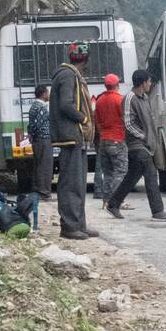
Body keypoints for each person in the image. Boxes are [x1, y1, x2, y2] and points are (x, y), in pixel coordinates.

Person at [106, 69, 166, 222]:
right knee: (150, 174)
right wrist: (144, 137)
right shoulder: (130, 98)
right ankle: (158, 211)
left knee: (132, 177)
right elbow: (128, 124)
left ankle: (113, 204)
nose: (150, 84)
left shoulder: (144, 97)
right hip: (137, 145)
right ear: (143, 83)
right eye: (149, 81)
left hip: (146, 145)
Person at [49, 41, 96, 240]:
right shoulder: (68, 75)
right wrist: (83, 118)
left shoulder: (68, 74)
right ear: (86, 59)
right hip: (71, 136)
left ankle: (79, 224)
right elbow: (65, 105)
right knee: (70, 183)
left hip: (75, 137)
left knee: (78, 183)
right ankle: (69, 226)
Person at [93, 72, 128, 206]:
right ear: (117, 85)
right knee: (120, 172)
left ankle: (106, 200)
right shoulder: (120, 100)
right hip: (118, 139)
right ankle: (117, 202)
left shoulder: (99, 101)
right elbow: (125, 119)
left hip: (103, 140)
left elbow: (97, 121)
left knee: (107, 173)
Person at [27, 84, 53, 199]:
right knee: (45, 165)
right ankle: (44, 192)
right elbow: (38, 124)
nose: (49, 95)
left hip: (37, 140)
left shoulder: (34, 106)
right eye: (48, 92)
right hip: (43, 139)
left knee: (38, 165)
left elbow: (32, 125)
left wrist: (31, 135)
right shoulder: (41, 107)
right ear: (43, 94)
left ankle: (37, 189)